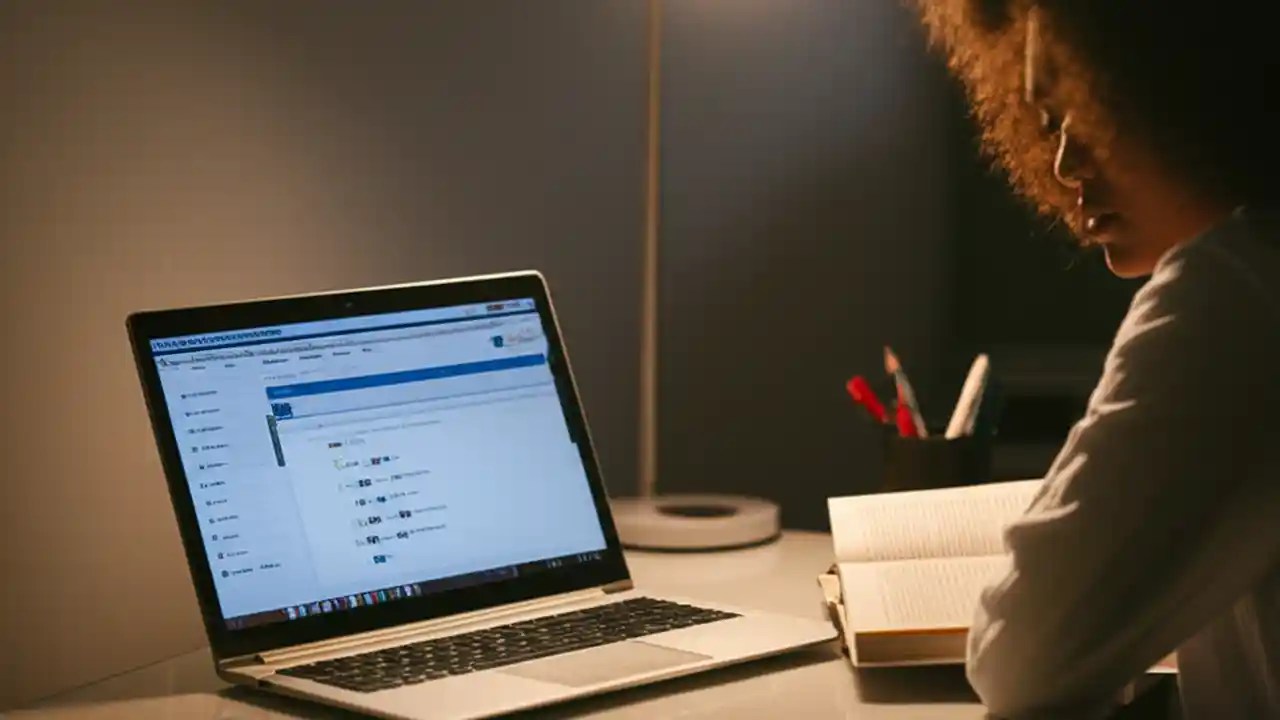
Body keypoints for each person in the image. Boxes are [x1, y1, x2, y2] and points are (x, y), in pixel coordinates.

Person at [911, 2, 1280, 717]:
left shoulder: (1240, 293)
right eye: (1050, 121)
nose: (1062, 162)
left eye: (1090, 111)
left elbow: (1021, 657)